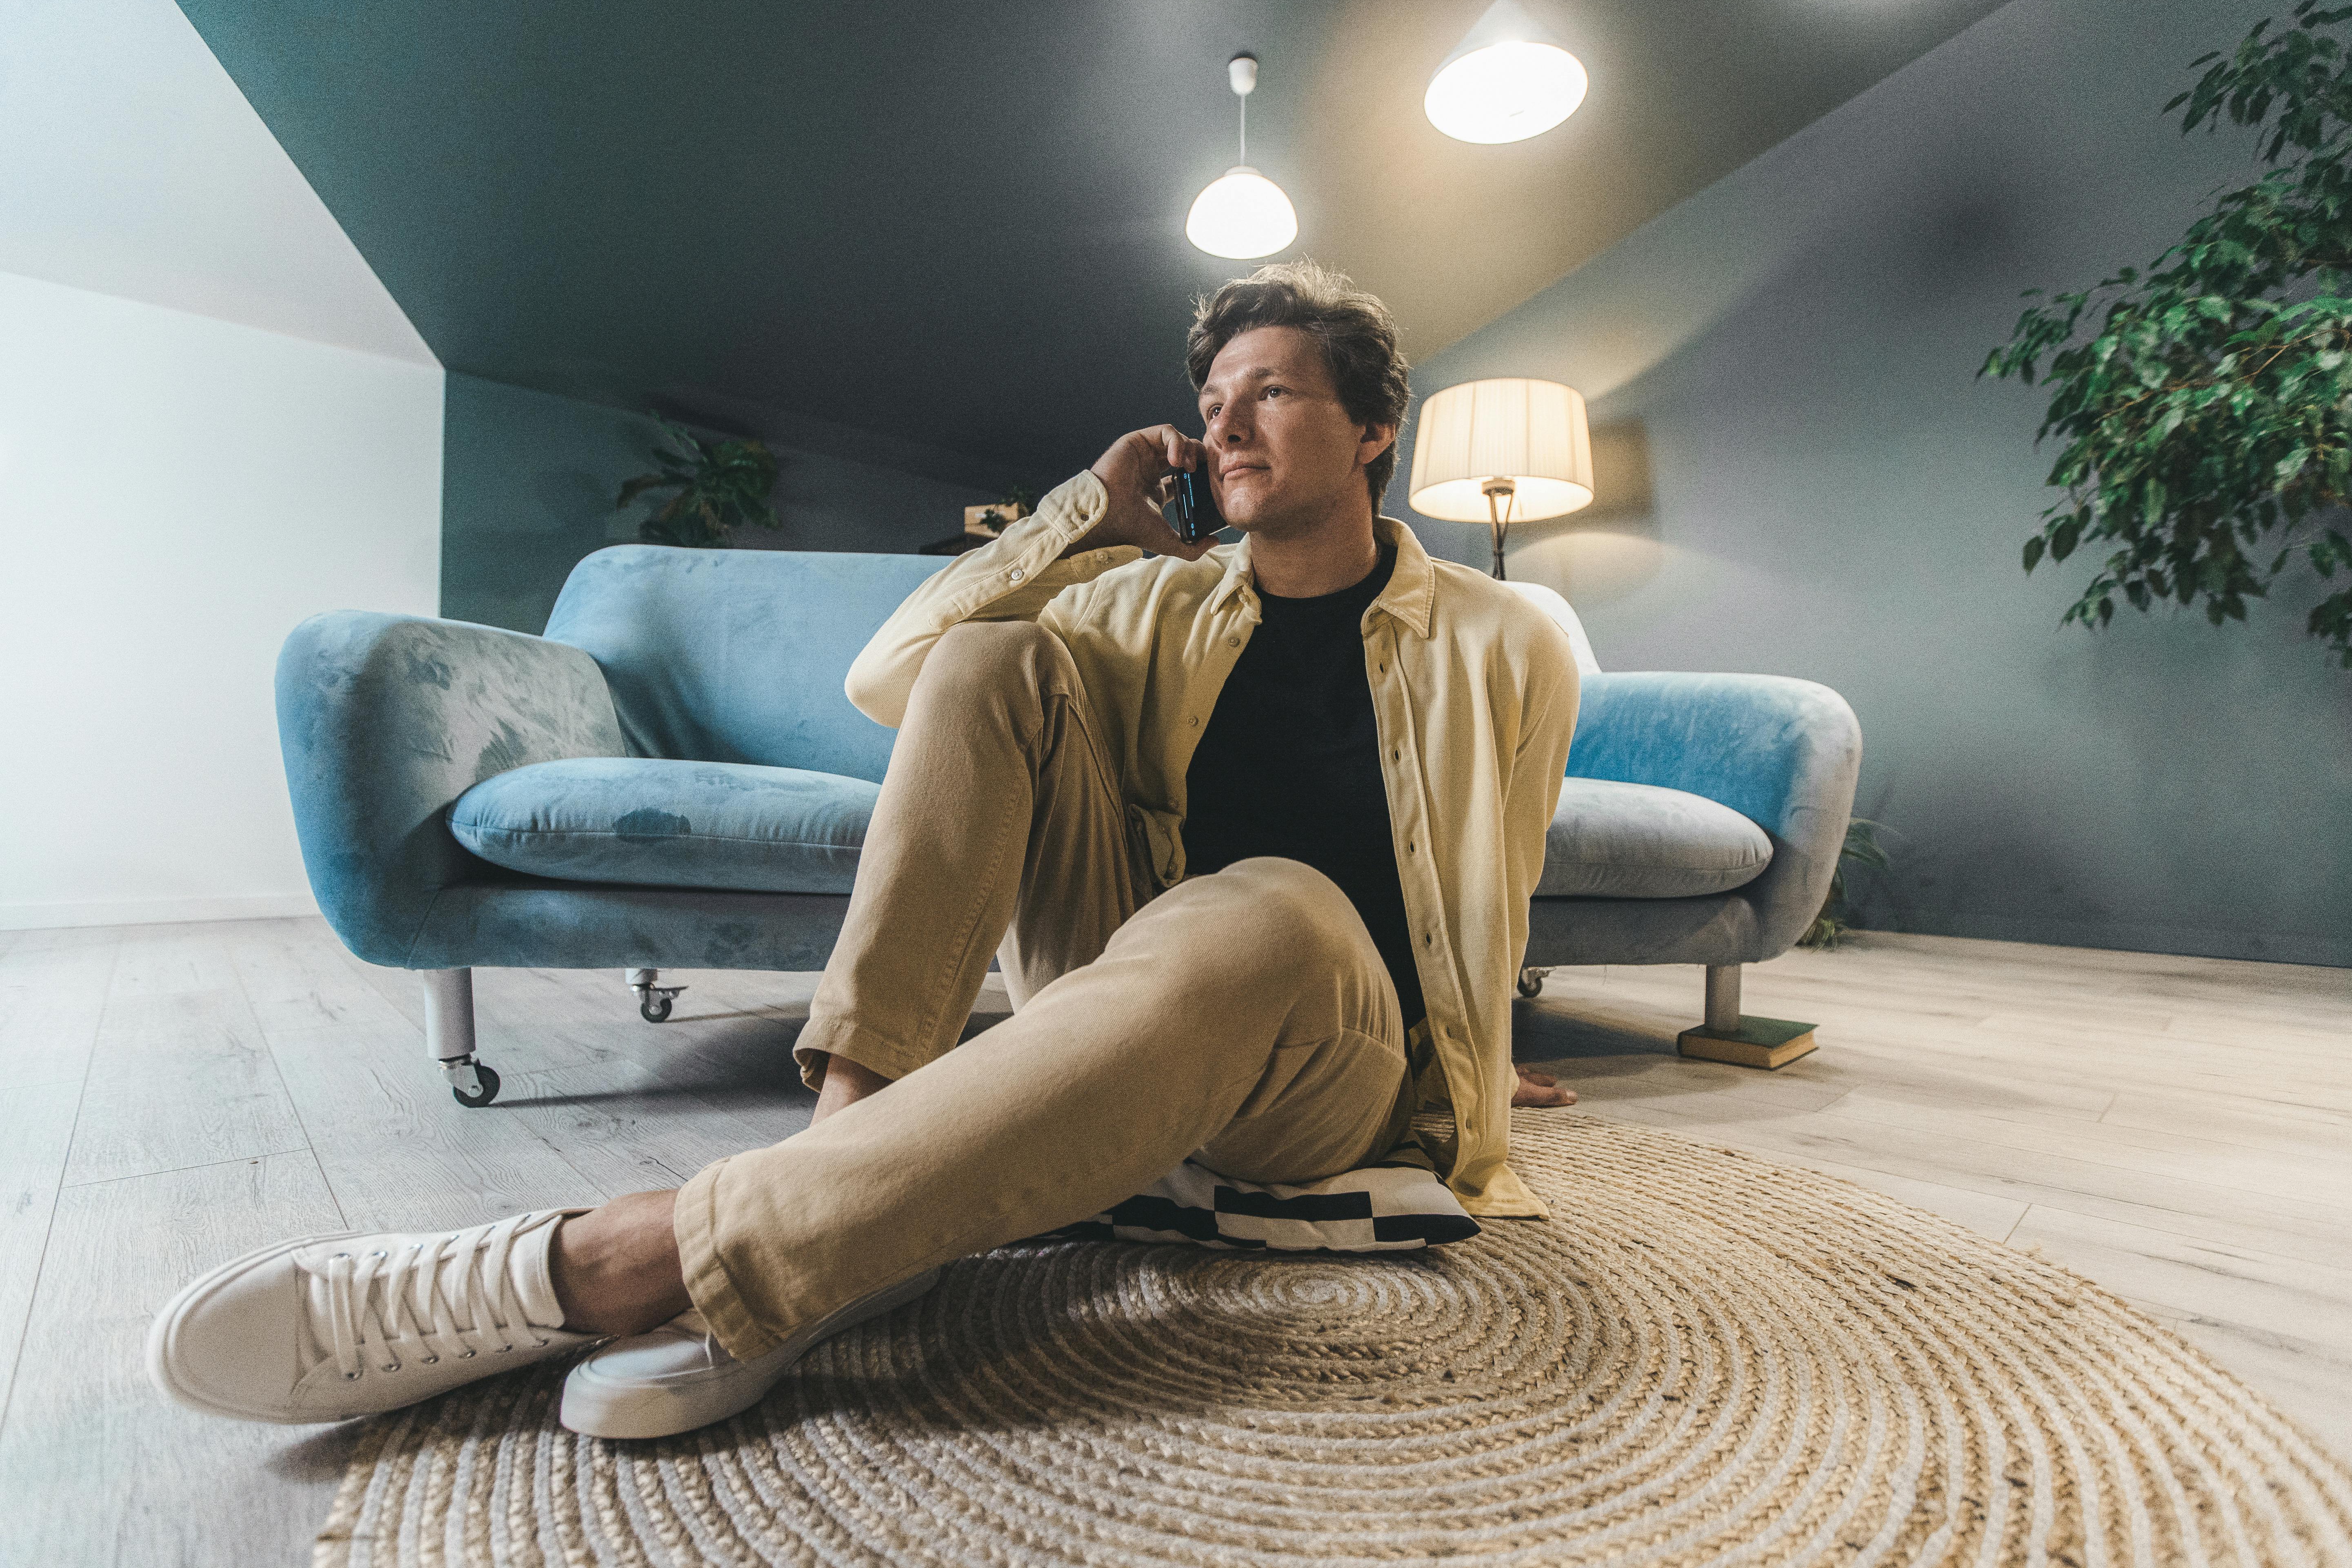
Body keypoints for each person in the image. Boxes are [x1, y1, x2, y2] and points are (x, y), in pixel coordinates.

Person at [146, 262, 1582, 1441]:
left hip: (1319, 1066)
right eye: (1211, 405)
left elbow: (1490, 875)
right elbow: (897, 680)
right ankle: (846, 1178)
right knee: (987, 666)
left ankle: (599, 1264)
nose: (1228, 431)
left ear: (1375, 429)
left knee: (1266, 903)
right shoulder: (1153, 604)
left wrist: (1474, 1056)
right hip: (1128, 1012)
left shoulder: (1506, 637)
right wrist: (1085, 512)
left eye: (1270, 391)